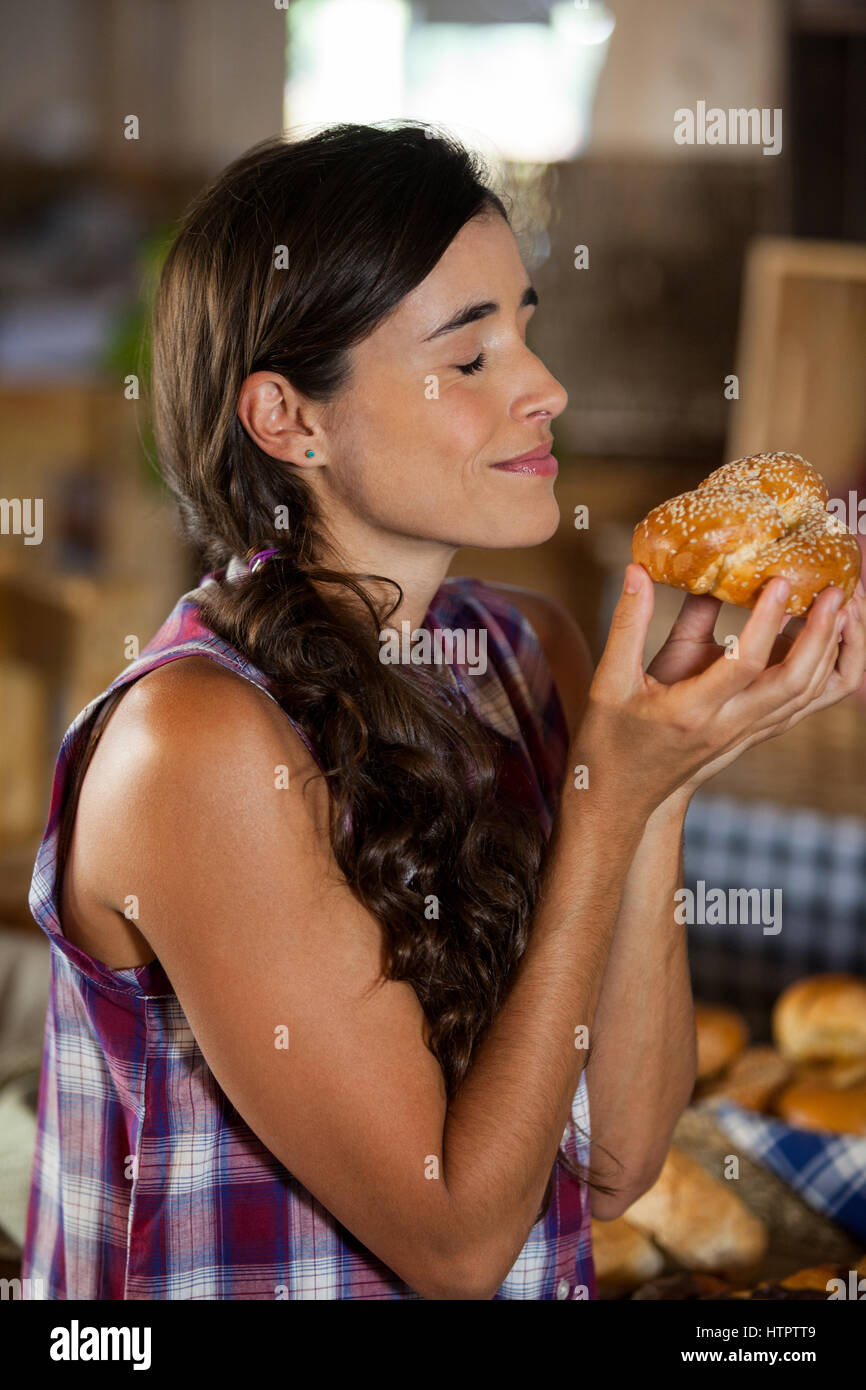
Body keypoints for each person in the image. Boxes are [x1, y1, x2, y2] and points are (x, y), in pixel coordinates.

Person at [21, 122, 865, 1301]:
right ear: (288, 420)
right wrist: (605, 797)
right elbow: (457, 1241)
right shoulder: (195, 742)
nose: (545, 388)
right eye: (468, 360)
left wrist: (656, 784)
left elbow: (616, 1161)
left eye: (526, 328)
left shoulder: (527, 655)